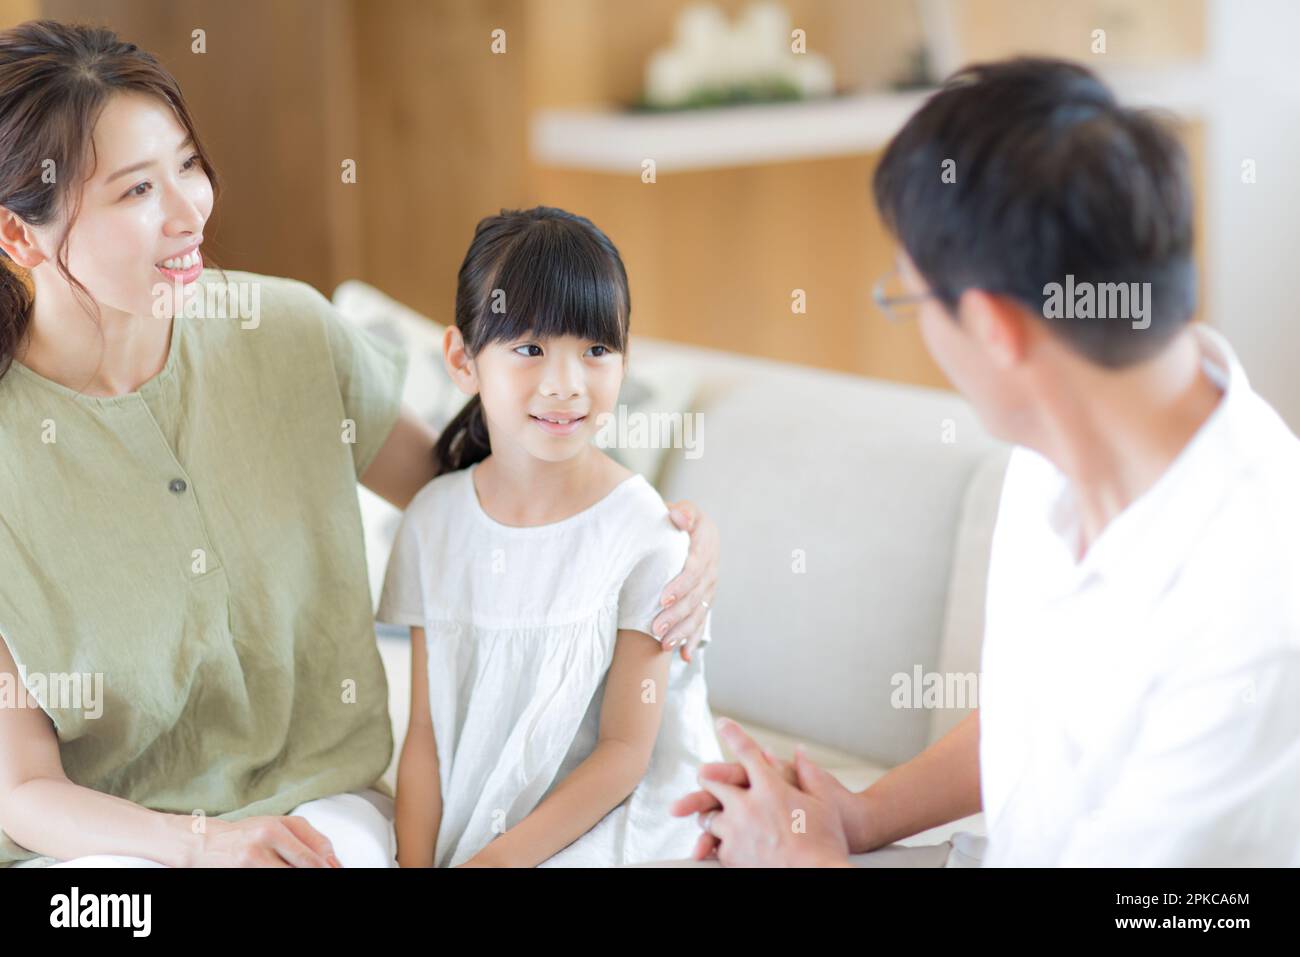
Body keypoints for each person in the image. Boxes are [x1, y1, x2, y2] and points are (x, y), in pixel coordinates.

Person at [0, 20, 719, 868]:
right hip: (108, 851)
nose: (191, 209)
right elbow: (24, 790)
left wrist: (669, 538)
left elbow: (490, 500)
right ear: (18, 236)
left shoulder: (290, 336)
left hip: (319, 815)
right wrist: (206, 845)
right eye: (136, 191)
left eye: (188, 165)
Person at [671, 57, 1300, 867]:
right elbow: (1042, 716)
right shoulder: (1059, 443)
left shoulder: (1260, 605)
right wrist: (856, 818)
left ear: (997, 329)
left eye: (911, 299)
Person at [378, 207, 724, 867]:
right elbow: (423, 735)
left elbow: (625, 755)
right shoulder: (433, 522)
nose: (566, 385)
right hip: (485, 827)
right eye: (530, 348)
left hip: (620, 829)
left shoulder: (643, 534)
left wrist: (495, 863)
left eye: (595, 350)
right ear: (462, 359)